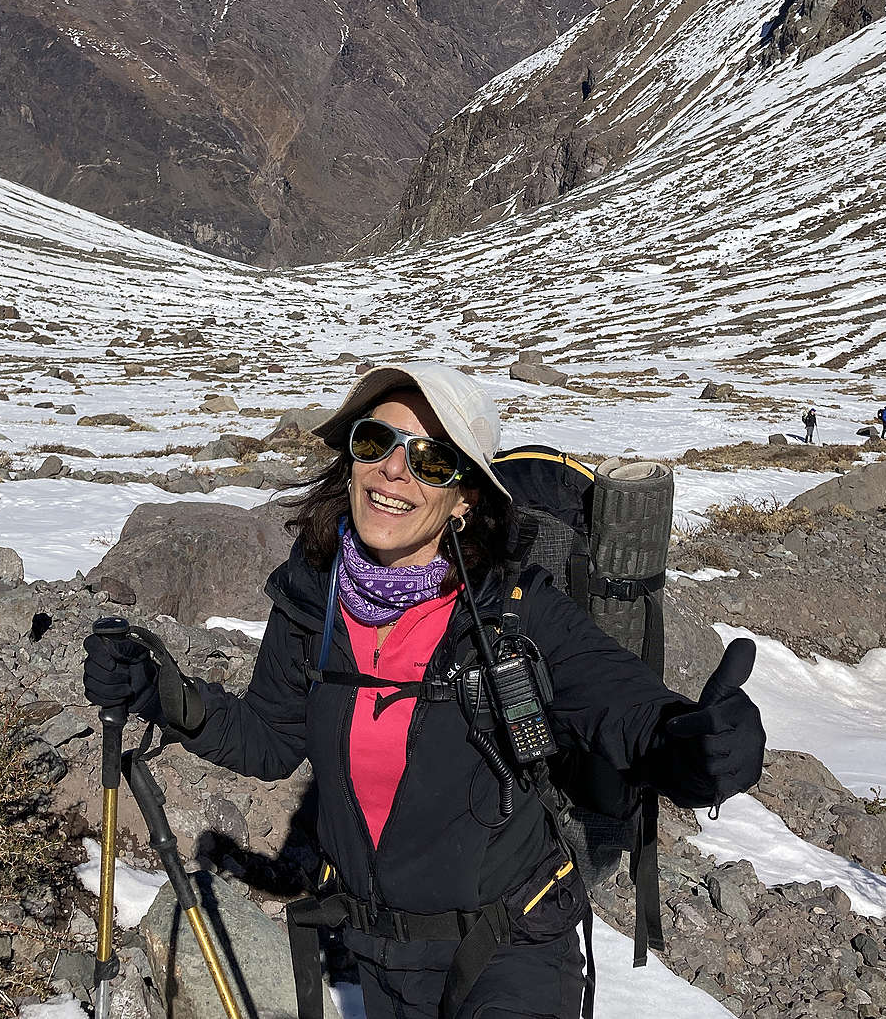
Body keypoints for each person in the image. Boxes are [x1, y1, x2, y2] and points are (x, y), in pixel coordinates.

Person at [84, 362, 765, 1019]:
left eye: (432, 461)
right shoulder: (314, 597)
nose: (394, 471)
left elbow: (625, 704)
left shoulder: (510, 609)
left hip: (513, 945)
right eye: (375, 441)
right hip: (383, 959)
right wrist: (161, 693)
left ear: (465, 497)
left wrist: (694, 745)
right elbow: (269, 740)